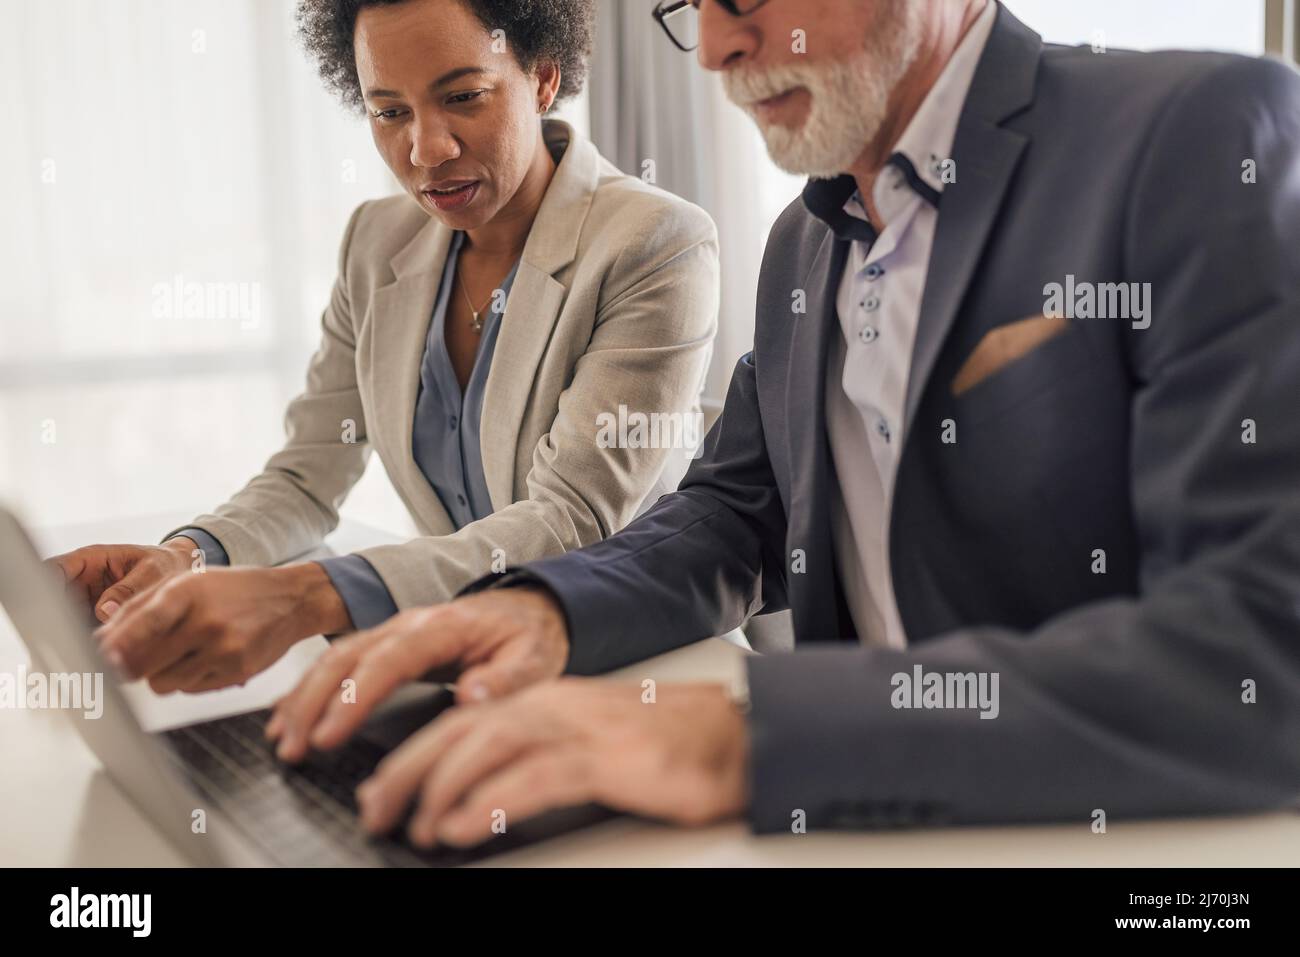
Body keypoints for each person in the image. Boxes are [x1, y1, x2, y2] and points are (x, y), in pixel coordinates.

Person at [266, 0, 1300, 850]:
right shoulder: (802, 243)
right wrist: (542, 610)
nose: (717, 46)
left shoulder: (1194, 133)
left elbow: (1261, 654)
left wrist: (739, 737)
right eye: (694, 7)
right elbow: (733, 516)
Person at [53, 0, 719, 700]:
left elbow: (570, 522)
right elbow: (307, 477)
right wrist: (186, 557)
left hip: (635, 674)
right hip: (457, 668)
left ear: (544, 78)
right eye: (389, 111)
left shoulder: (655, 241)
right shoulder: (376, 243)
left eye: (463, 97)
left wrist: (303, 595)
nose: (426, 150)